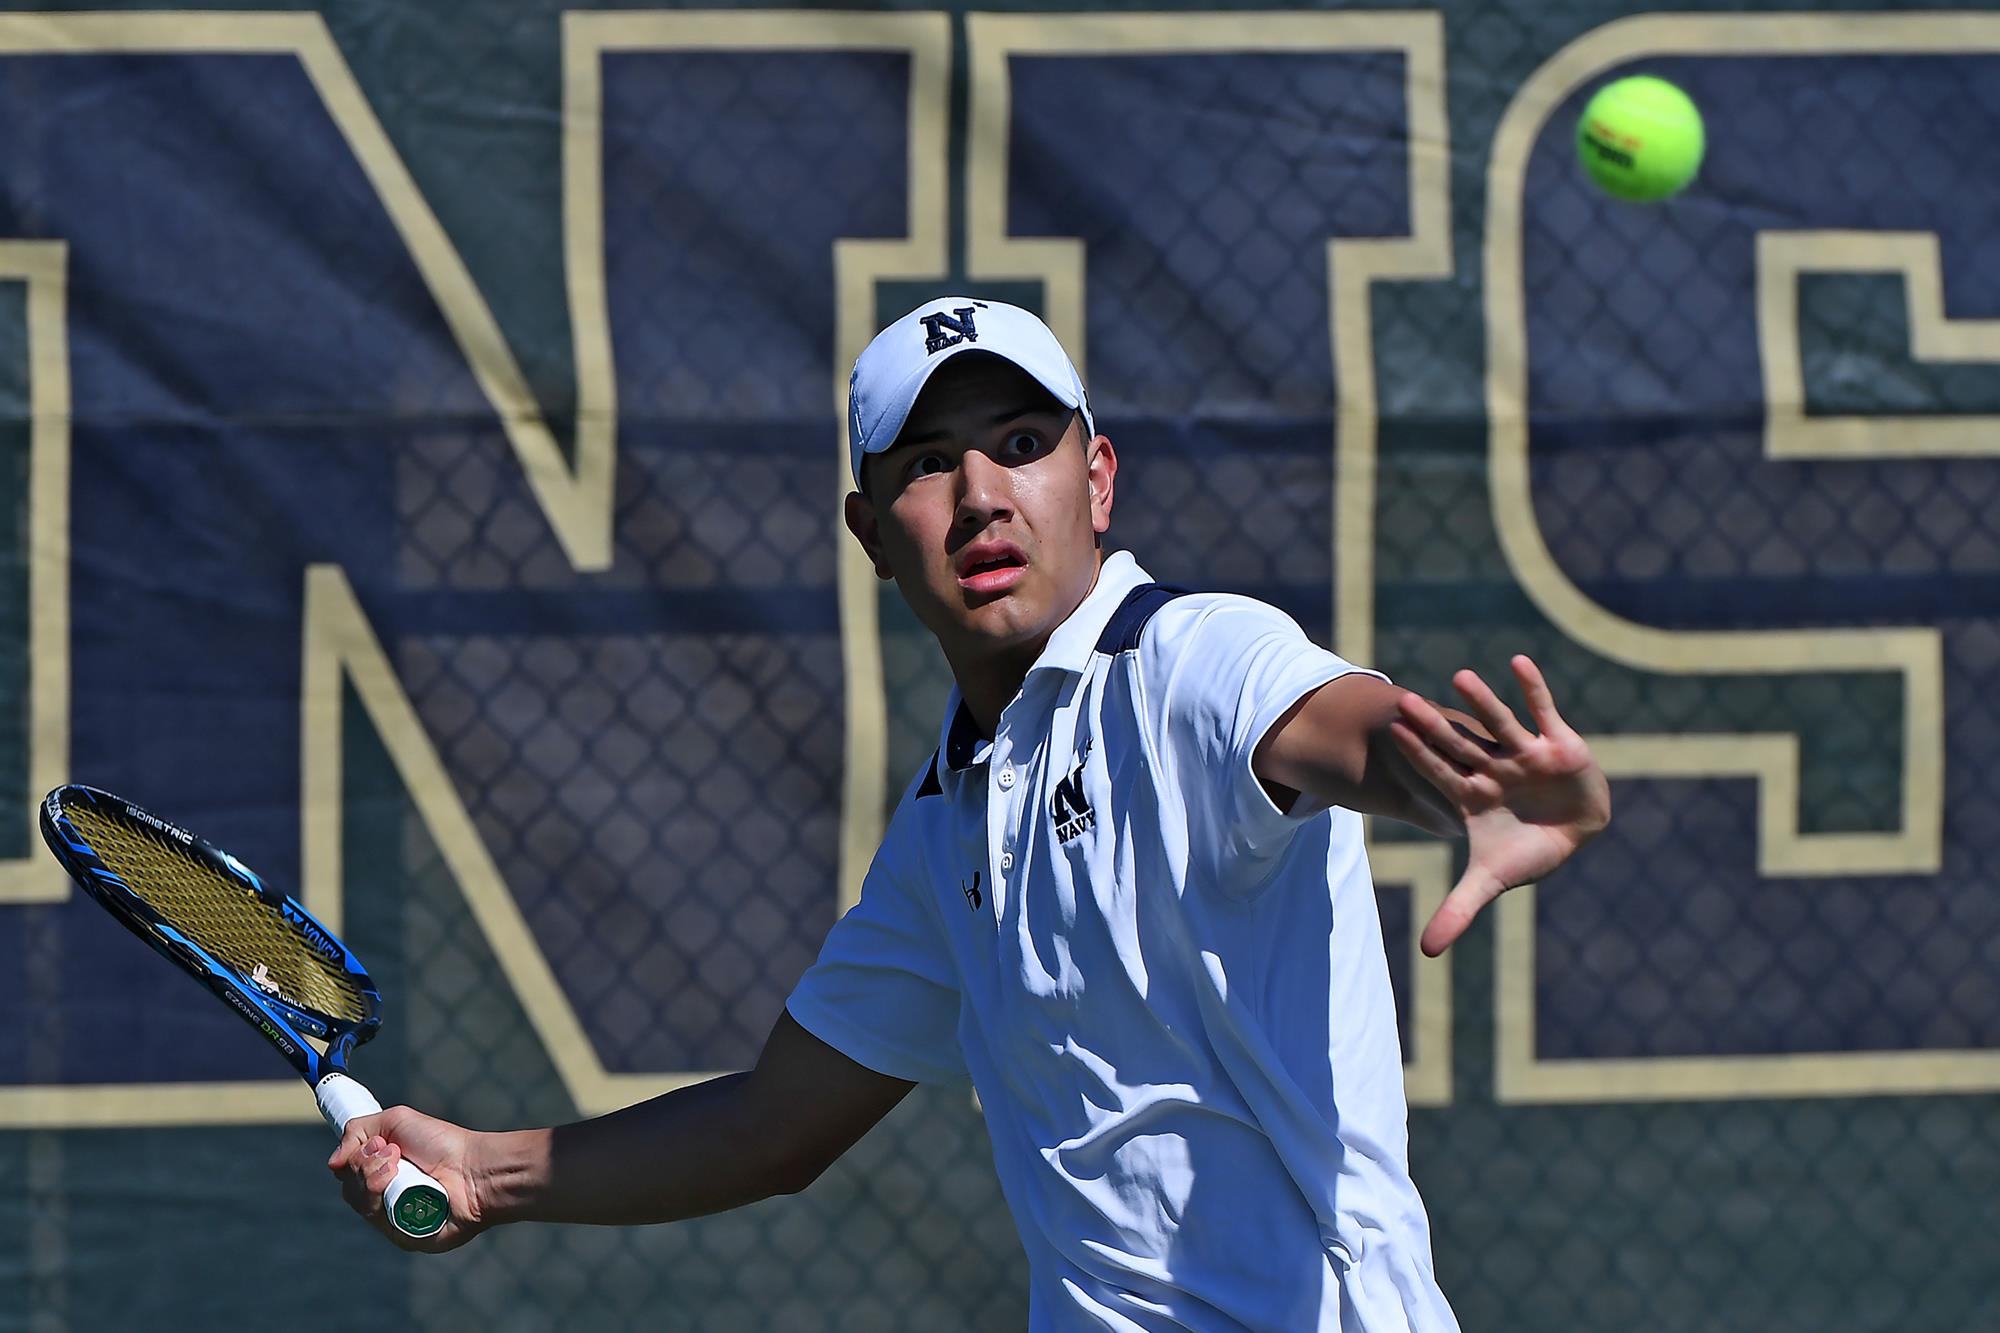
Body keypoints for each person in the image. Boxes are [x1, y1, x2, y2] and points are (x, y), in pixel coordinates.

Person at [331, 297, 1610, 1331]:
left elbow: (1334, 723)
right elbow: (775, 1126)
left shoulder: (1189, 657)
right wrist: (482, 1173)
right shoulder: (950, 823)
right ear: (872, 532)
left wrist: (1459, 787)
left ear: (1095, 478)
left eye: (1019, 443)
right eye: (930, 463)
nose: (984, 493)